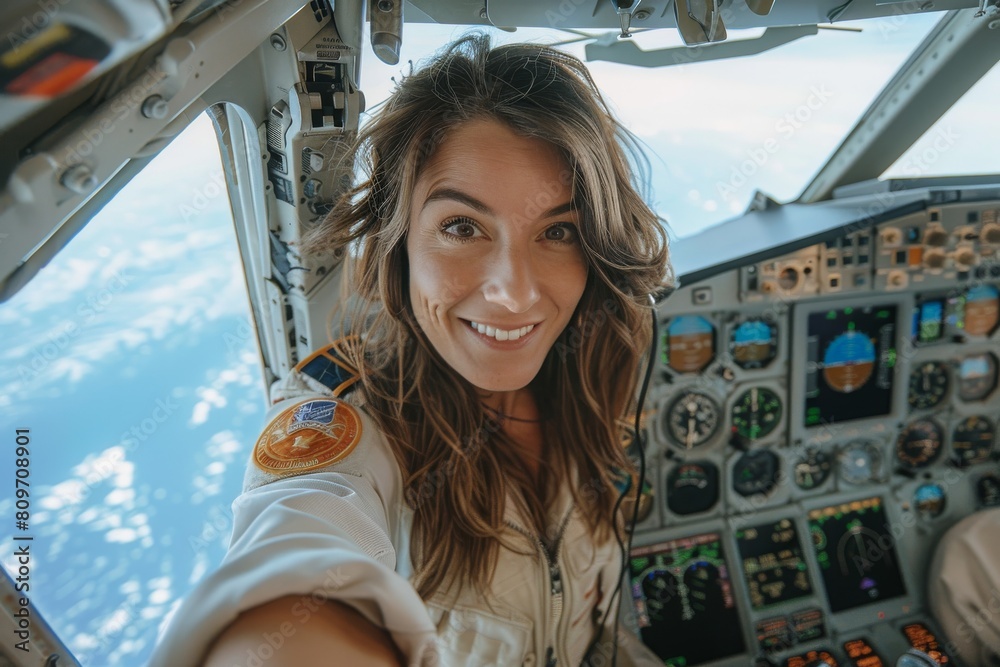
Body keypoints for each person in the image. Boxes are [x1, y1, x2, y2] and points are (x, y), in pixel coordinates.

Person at [149, 33, 671, 666]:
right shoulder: (350, 417)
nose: (514, 292)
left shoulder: (593, 369)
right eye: (461, 226)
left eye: (557, 231)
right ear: (398, 246)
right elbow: (300, 540)